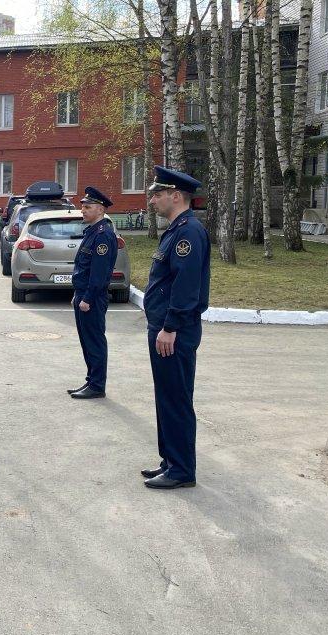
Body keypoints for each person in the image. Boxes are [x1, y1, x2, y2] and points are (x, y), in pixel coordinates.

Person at [140, 166, 210, 490]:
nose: (152, 199)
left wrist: (169, 327)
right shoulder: (175, 229)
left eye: (157, 193)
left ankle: (182, 470)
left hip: (174, 332)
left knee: (177, 398)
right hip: (164, 328)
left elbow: (185, 286)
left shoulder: (188, 233)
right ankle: (170, 460)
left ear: (176, 195)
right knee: (166, 396)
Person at [68, 186, 118, 400]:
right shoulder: (92, 231)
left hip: (93, 298)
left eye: (87, 207)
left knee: (94, 341)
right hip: (83, 294)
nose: (83, 211)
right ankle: (91, 380)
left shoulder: (103, 235)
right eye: (83, 207)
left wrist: (87, 297)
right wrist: (78, 294)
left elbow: (99, 273)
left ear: (100, 209)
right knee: (86, 341)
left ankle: (97, 385)